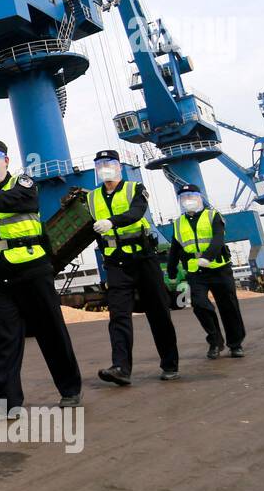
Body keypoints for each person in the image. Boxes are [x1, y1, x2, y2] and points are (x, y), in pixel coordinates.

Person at [0, 139, 83, 420]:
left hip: (31, 268)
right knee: (5, 338)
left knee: (50, 330)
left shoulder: (22, 183)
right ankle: (8, 401)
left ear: (6, 161)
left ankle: (70, 388)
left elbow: (20, 202)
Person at [86, 149, 179, 384]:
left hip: (143, 258)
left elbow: (137, 212)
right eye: (99, 164)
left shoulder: (135, 189)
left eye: (109, 163)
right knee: (118, 315)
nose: (104, 167)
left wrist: (112, 222)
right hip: (116, 262)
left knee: (158, 312)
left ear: (119, 166)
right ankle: (121, 368)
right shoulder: (91, 197)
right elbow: (94, 229)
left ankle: (170, 364)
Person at [166, 182, 246, 359]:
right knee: (199, 305)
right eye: (184, 198)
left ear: (199, 198)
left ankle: (235, 344)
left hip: (219, 268)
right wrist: (171, 271)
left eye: (191, 197)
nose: (188, 201)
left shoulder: (213, 216)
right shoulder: (178, 223)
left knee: (229, 307)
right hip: (196, 273)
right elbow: (175, 248)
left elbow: (218, 239)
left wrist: (207, 257)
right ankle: (215, 341)